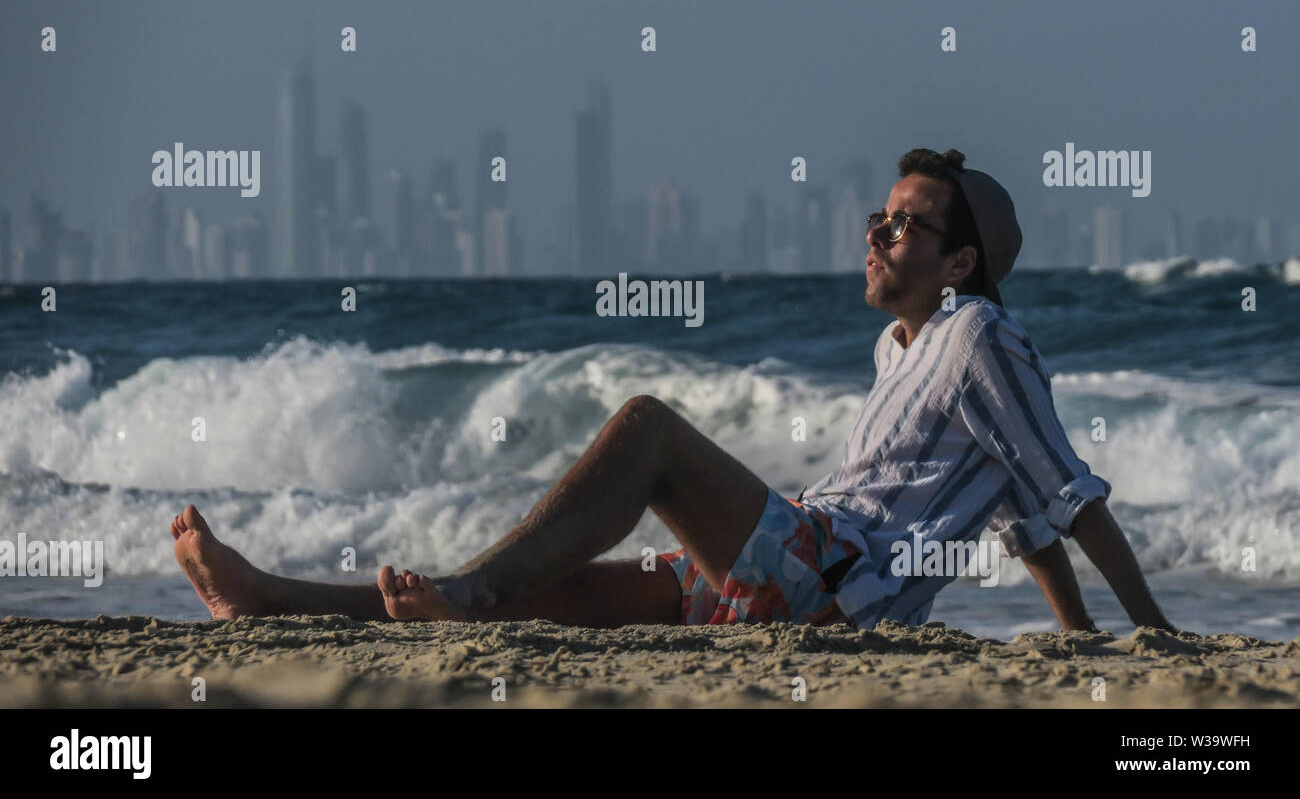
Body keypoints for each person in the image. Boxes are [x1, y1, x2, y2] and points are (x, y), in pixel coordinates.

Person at [171, 146, 1174, 633]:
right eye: (878, 215)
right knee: (551, 593)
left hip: (829, 585)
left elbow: (1062, 492)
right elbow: (1018, 515)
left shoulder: (980, 336)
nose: (876, 232)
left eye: (905, 226)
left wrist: (1150, 632)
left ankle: (467, 591)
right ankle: (270, 599)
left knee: (646, 427)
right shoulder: (905, 348)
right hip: (800, 561)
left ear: (959, 263)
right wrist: (1073, 637)